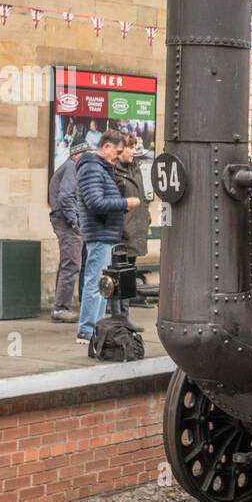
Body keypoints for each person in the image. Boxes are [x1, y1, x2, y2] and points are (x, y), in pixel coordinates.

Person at [76, 129, 140, 346]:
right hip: (100, 234)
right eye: (118, 151)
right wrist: (125, 204)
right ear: (106, 147)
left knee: (103, 284)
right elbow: (96, 203)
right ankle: (86, 330)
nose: (118, 155)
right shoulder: (92, 169)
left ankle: (95, 328)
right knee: (95, 284)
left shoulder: (101, 168)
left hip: (106, 235)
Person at [49, 142, 89, 322]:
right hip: (66, 221)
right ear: (76, 154)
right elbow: (66, 195)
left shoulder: (69, 166)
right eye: (86, 154)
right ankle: (60, 309)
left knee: (67, 263)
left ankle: (60, 306)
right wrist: (74, 220)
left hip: (62, 219)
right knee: (72, 264)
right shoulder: (72, 167)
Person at [113, 134, 152, 264]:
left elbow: (143, 197)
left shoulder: (136, 168)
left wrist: (146, 217)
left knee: (129, 273)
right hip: (122, 235)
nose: (134, 151)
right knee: (118, 276)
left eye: (135, 147)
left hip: (136, 231)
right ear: (120, 149)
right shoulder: (113, 170)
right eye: (130, 147)